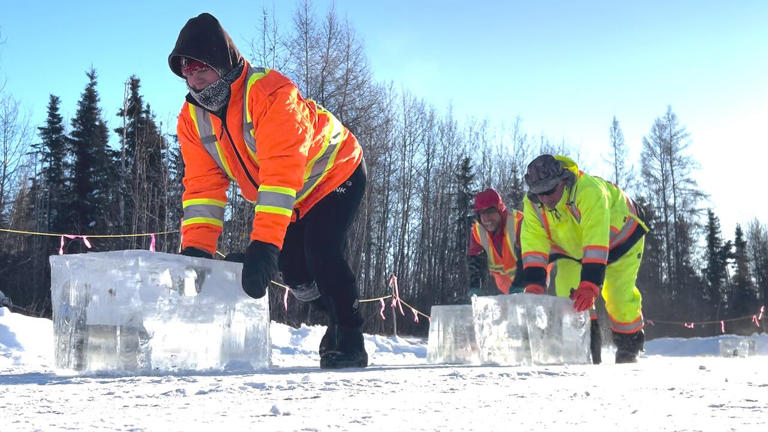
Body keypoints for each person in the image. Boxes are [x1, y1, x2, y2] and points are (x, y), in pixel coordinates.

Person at [169, 13, 367, 369]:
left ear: (221, 61)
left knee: (321, 251)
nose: (192, 75)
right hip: (291, 195)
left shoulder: (272, 95)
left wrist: (262, 246)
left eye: (200, 64)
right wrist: (197, 254)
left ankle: (349, 336)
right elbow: (202, 189)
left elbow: (280, 173)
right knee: (295, 273)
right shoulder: (192, 119)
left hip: (335, 171)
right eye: (185, 67)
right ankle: (335, 304)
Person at [520, 154, 648, 363]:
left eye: (549, 191)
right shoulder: (532, 204)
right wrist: (535, 285)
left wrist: (590, 284)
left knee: (617, 296)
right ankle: (587, 351)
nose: (545, 199)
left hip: (621, 238)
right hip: (573, 248)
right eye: (538, 193)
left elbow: (595, 240)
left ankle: (629, 347)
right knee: (569, 299)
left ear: (563, 181)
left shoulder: (589, 192)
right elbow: (533, 243)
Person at [467, 188, 525, 298]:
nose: (487, 218)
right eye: (482, 213)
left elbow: (531, 256)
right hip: (509, 290)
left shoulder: (518, 223)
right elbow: (475, 262)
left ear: (500, 210)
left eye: (491, 211)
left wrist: (521, 283)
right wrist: (475, 286)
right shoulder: (477, 232)